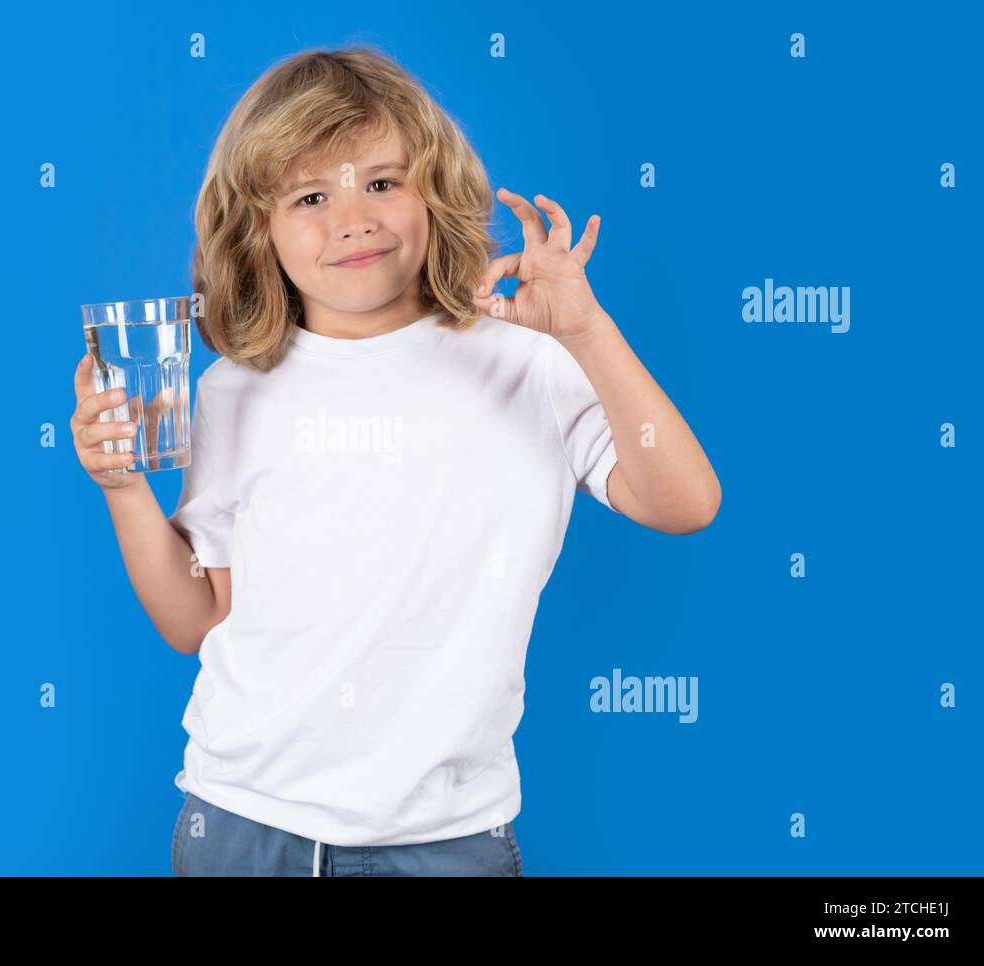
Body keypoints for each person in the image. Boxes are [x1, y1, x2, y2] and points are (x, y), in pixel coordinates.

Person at [70, 46, 721, 876]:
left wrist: (587, 333)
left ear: (435, 194)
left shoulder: (527, 356)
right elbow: (198, 621)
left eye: (381, 182)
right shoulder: (235, 390)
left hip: (446, 839)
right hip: (240, 823)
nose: (353, 219)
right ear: (257, 230)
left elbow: (686, 502)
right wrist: (124, 487)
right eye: (310, 196)